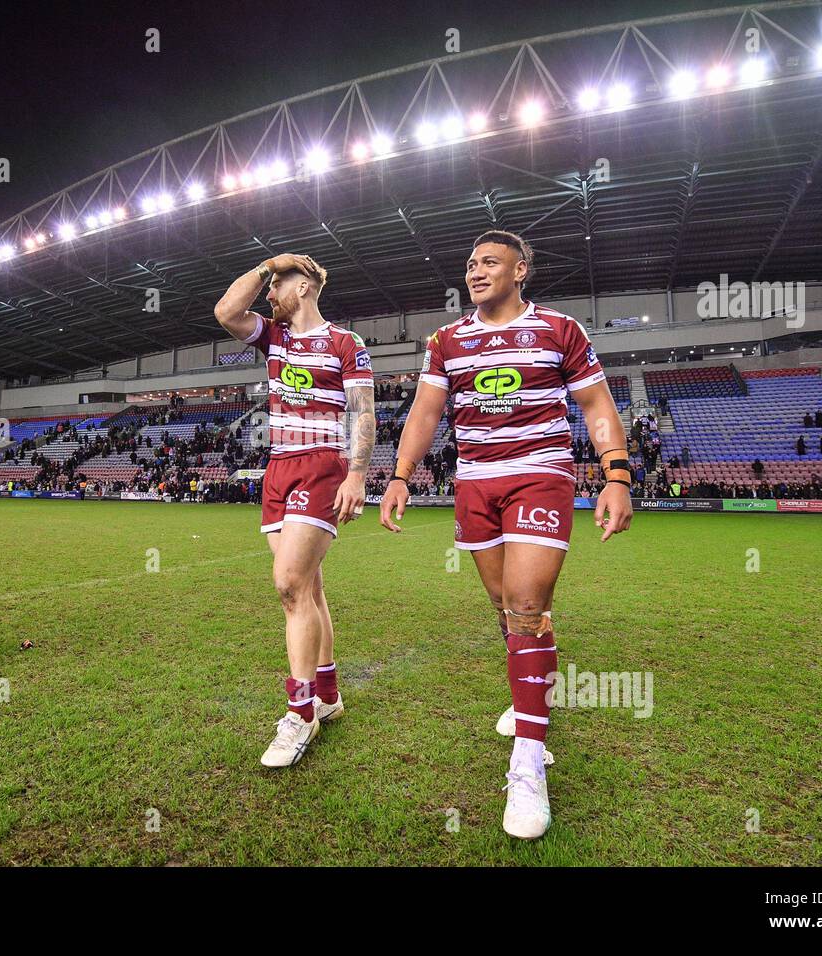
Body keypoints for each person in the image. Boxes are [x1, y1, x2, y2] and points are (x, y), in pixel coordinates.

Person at [379, 230, 632, 840]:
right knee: (508, 607)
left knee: (525, 603)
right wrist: (400, 476)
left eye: (489, 261)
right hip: (476, 487)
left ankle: (528, 761)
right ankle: (531, 693)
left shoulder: (560, 329)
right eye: (469, 263)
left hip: (539, 477)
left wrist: (616, 473)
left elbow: (596, 403)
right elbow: (426, 414)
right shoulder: (447, 340)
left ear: (522, 270)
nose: (475, 270)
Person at [213, 252, 374, 769]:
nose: (268, 295)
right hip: (278, 469)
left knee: (288, 584)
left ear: (302, 287)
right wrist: (264, 266)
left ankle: (300, 711)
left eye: (277, 286)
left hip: (323, 465)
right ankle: (327, 693)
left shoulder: (347, 344)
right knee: (309, 588)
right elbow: (225, 311)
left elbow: (363, 413)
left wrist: (356, 472)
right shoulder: (274, 337)